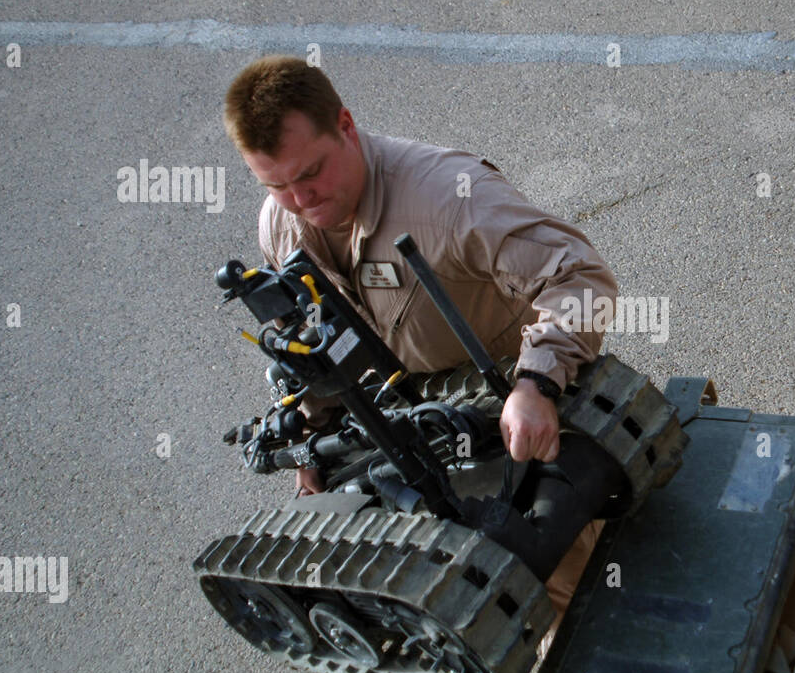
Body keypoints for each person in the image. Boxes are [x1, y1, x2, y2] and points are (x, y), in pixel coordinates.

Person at [222, 55, 614, 628]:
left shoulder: (447, 198)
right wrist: (313, 441)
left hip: (509, 413)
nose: (300, 199)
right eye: (275, 184)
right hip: (412, 422)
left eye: (311, 174)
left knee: (550, 598)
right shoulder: (279, 226)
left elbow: (581, 277)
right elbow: (311, 344)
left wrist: (535, 383)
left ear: (346, 126)